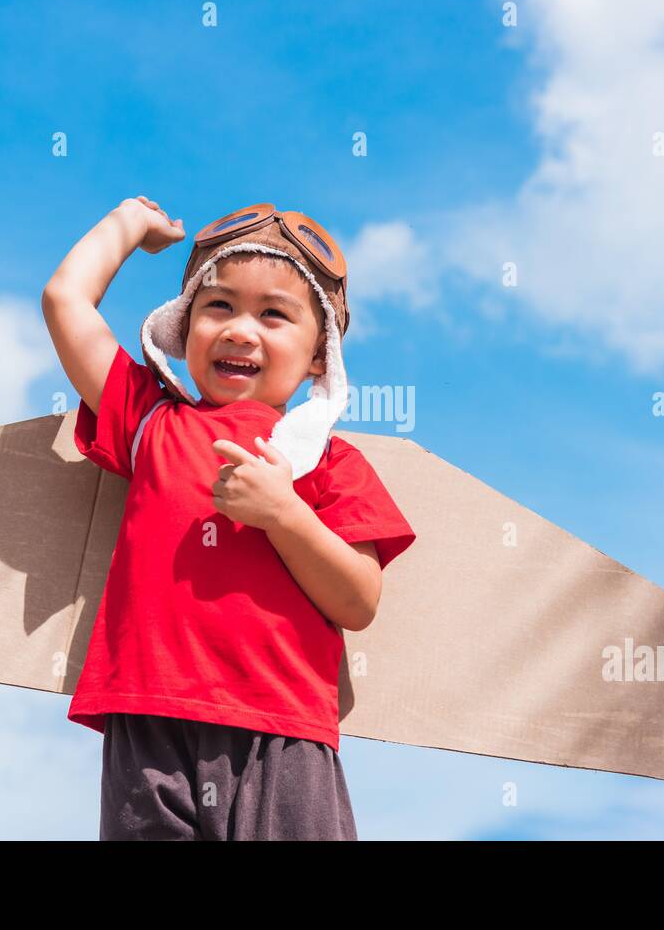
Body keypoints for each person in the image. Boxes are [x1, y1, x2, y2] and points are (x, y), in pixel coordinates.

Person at [41, 198, 417, 840]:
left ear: (320, 356)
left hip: (282, 728)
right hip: (147, 723)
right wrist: (130, 223)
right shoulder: (149, 421)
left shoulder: (328, 459)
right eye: (218, 306)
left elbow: (358, 600)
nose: (241, 330)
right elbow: (65, 300)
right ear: (183, 330)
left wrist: (283, 514)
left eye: (274, 314)